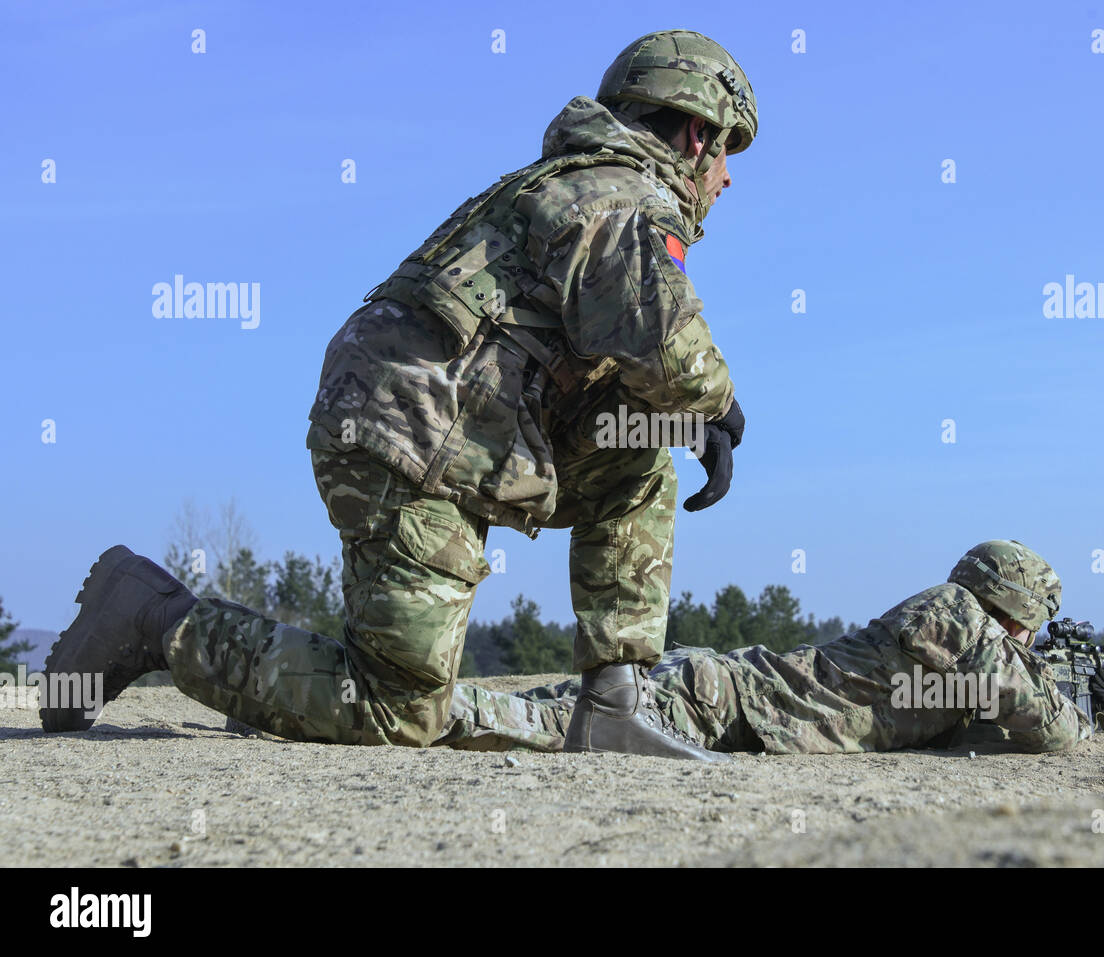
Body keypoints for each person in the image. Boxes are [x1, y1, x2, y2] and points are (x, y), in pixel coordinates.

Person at [40, 30, 757, 763]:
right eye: (728, 149)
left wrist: (678, 419)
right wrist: (722, 409)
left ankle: (612, 705)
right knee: (396, 707)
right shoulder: (624, 197)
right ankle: (151, 617)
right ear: (698, 134)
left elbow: (622, 351)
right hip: (408, 438)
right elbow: (668, 344)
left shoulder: (568, 184)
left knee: (638, 451)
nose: (727, 178)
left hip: (439, 428)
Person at [430, 541, 1104, 755]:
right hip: (714, 700)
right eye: (1029, 625)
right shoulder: (959, 617)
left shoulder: (954, 624)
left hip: (720, 690)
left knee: (528, 711)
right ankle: (379, 699)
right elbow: (1053, 731)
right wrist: (1089, 711)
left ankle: (392, 699)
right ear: (1013, 610)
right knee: (516, 722)